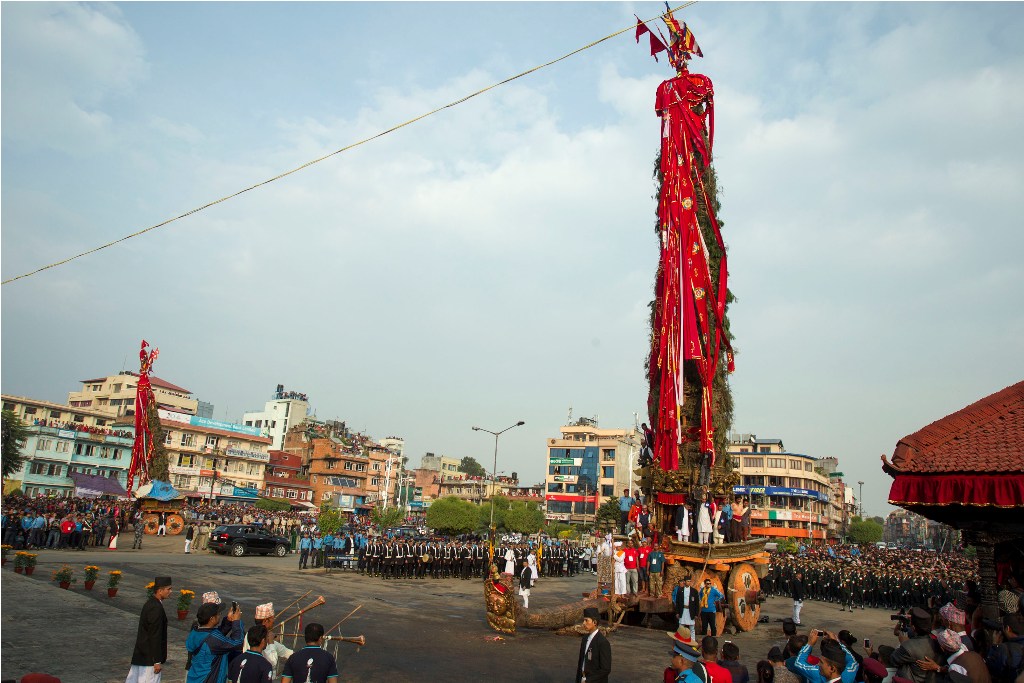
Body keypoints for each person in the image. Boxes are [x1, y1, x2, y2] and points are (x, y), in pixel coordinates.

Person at [125, 575, 172, 683]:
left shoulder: (151, 603)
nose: (170, 591)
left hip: (142, 655)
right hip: (149, 659)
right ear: (160, 591)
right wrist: (157, 660)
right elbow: (155, 635)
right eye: (168, 589)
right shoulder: (156, 608)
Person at [186, 600, 244, 683]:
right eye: (218, 614)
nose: (220, 616)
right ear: (212, 619)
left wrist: (228, 621)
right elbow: (238, 643)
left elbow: (217, 636)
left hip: (195, 677)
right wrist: (236, 622)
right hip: (207, 679)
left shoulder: (196, 632)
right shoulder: (212, 639)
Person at [890, 607, 943, 683]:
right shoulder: (937, 643)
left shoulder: (908, 646)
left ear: (913, 627)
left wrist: (904, 643)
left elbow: (893, 660)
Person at [243, 603, 293, 678]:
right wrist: (271, 642)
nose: (274, 621)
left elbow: (284, 651)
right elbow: (272, 663)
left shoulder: (251, 633)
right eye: (272, 618)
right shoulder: (261, 637)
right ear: (266, 621)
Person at [575, 607, 611, 683]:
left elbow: (605, 669)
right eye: (583, 620)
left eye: (586, 620)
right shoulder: (585, 639)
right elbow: (581, 663)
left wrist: (588, 680)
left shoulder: (602, 642)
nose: (583, 623)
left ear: (594, 622)